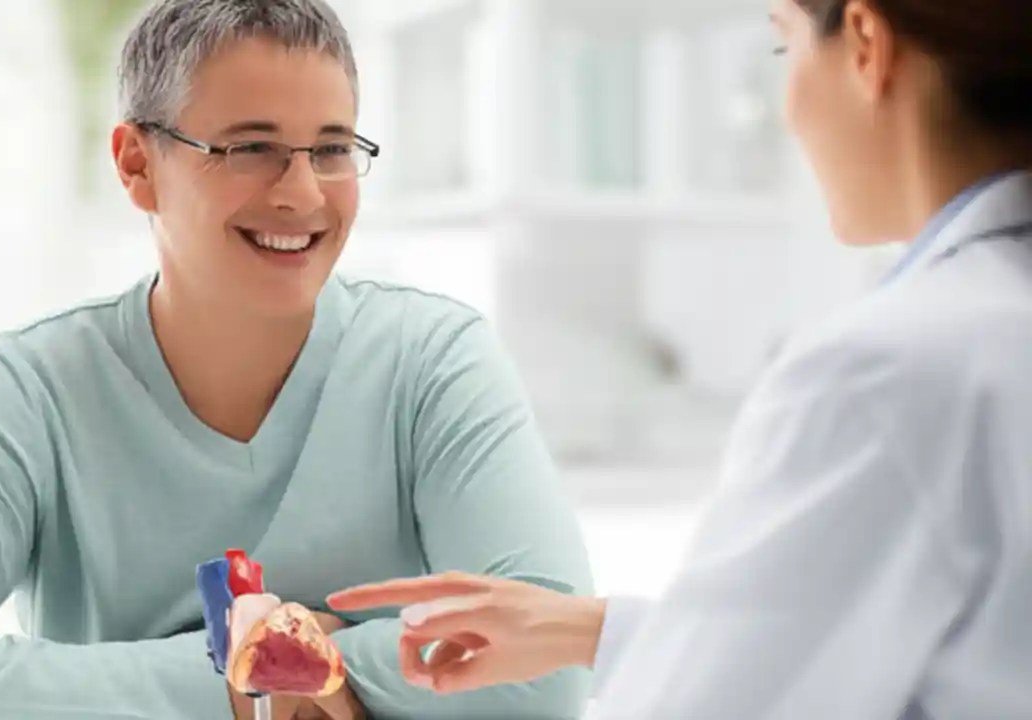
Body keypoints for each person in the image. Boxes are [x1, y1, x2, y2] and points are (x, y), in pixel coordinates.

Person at [0, 1, 594, 718]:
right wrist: (248, 673)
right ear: (137, 165)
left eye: (331, 148)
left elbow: (549, 666)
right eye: (251, 148)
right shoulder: (32, 388)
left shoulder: (432, 362)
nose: (303, 194)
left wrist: (291, 659)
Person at [328, 0, 1032, 716]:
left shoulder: (888, 374)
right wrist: (597, 631)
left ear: (864, 45)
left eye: (783, 49)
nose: (783, 111)